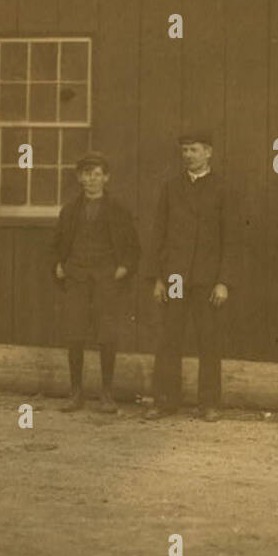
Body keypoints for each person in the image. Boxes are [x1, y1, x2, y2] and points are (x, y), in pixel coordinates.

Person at [143, 131, 237, 422]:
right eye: (184, 150)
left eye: (194, 150)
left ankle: (209, 403)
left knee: (209, 340)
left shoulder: (223, 188)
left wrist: (223, 281)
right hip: (175, 277)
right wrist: (157, 277)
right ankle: (165, 401)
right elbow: (159, 232)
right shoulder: (171, 188)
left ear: (208, 152)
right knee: (170, 337)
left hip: (207, 279)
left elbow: (232, 238)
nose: (188, 155)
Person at [51, 152, 140, 413]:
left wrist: (123, 269)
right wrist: (59, 265)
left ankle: (107, 394)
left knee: (106, 335)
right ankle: (76, 393)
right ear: (80, 178)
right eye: (87, 174)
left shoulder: (118, 210)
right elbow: (56, 244)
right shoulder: (69, 210)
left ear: (106, 178)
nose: (92, 179)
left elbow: (133, 247)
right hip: (76, 278)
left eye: (97, 174)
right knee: (75, 334)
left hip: (105, 279)